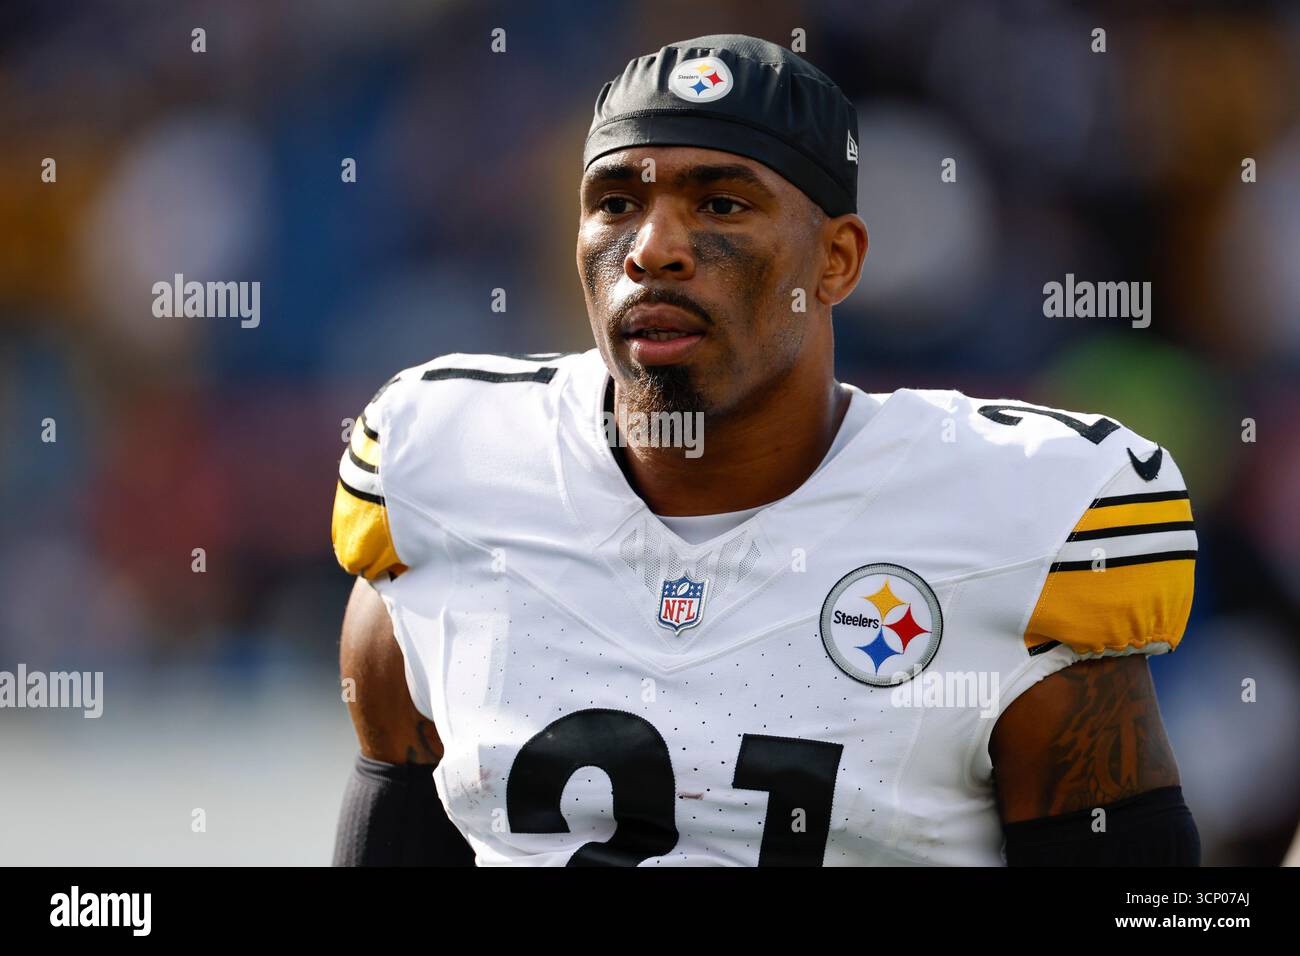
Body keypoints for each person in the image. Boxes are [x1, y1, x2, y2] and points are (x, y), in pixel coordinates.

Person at [330, 34, 1198, 866]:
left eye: (721, 203)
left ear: (837, 261)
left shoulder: (1017, 515)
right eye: (616, 203)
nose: (654, 250)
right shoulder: (440, 472)